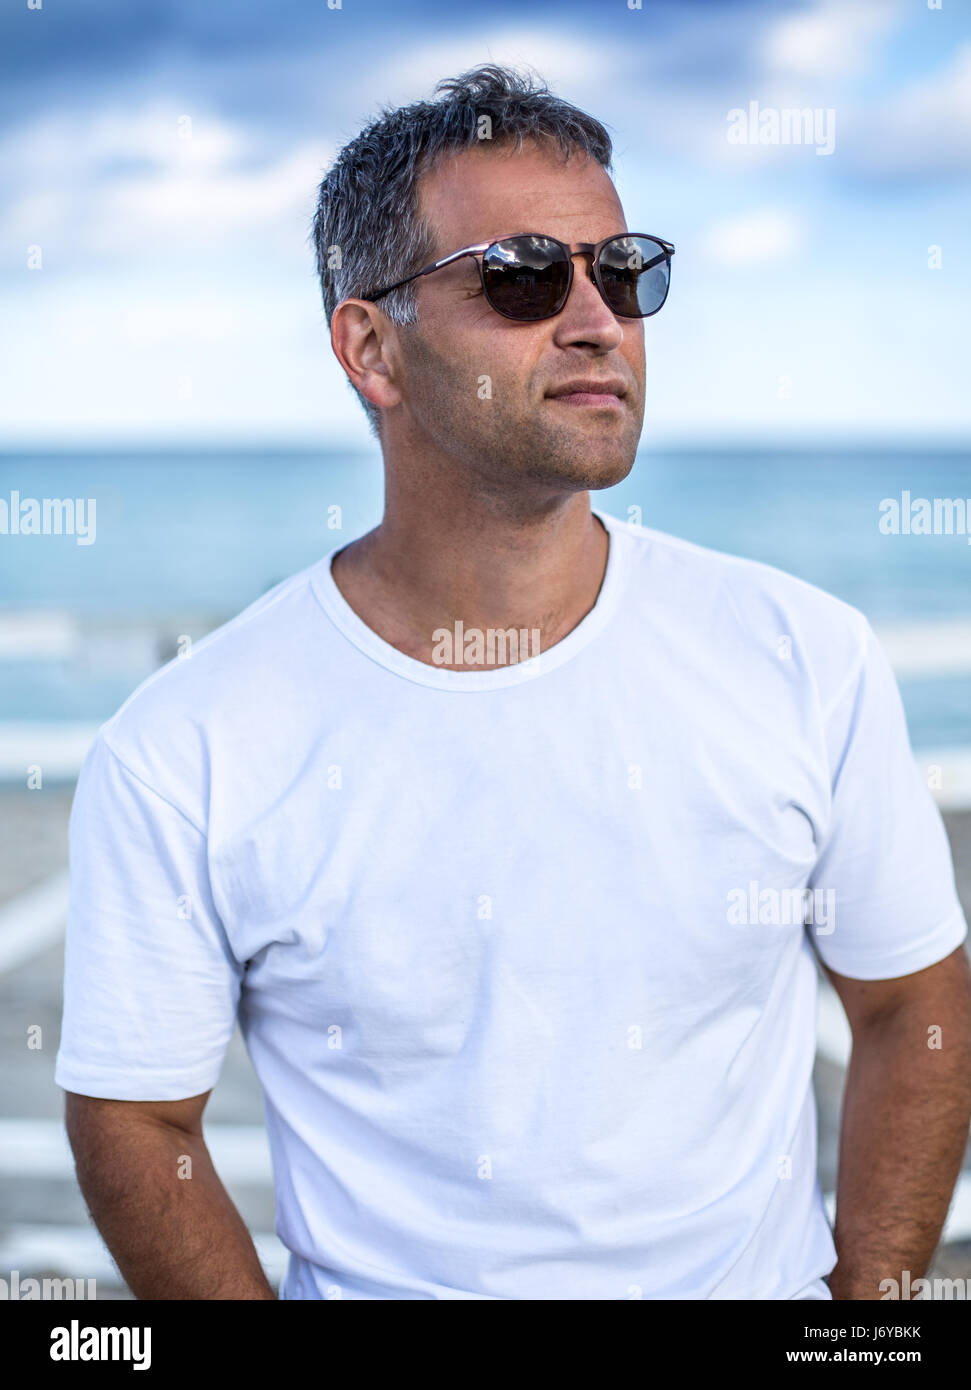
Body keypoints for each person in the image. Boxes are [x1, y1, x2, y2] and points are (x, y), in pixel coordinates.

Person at [56, 65, 971, 1301]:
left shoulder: (799, 654)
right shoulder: (187, 746)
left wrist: (868, 1312)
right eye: (526, 274)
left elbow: (912, 1000)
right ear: (370, 346)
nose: (598, 318)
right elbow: (134, 1120)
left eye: (624, 270)